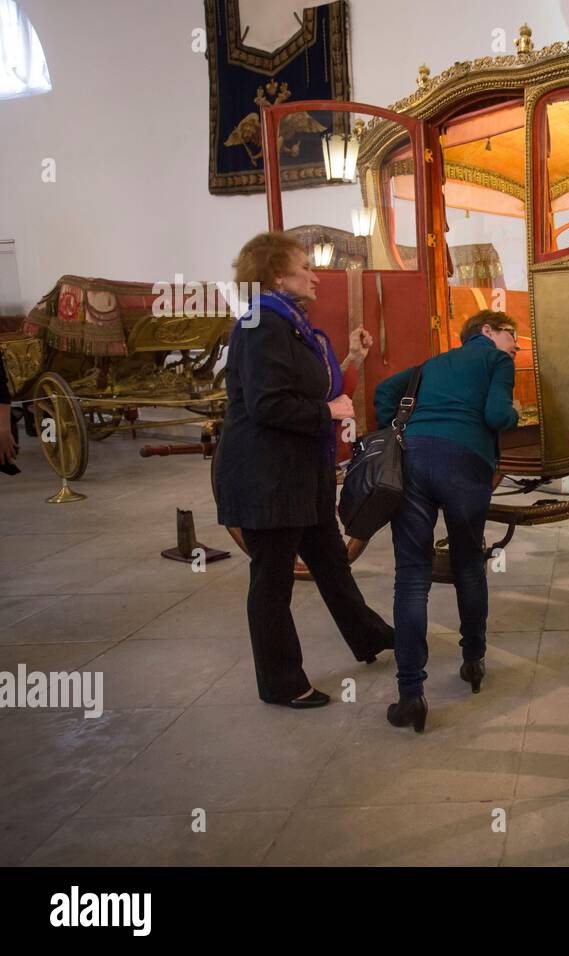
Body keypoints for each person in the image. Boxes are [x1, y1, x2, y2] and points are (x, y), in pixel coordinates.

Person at [215, 231, 394, 708]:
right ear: (277, 276)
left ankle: (370, 636)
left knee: (332, 565)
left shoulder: (288, 322)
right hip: (267, 477)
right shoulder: (260, 323)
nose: (316, 276)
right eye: (304, 268)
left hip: (298, 473)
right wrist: (330, 413)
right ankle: (282, 684)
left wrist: (352, 361)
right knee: (271, 582)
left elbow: (318, 387)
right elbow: (268, 405)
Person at [375, 310, 519, 732]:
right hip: (464, 465)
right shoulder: (498, 361)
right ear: (488, 332)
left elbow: (386, 391)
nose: (515, 345)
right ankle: (472, 661)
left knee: (412, 576)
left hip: (414, 461)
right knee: (468, 565)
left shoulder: (430, 364)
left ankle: (409, 696)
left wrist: (395, 429)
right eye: (511, 335)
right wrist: (513, 413)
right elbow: (496, 416)